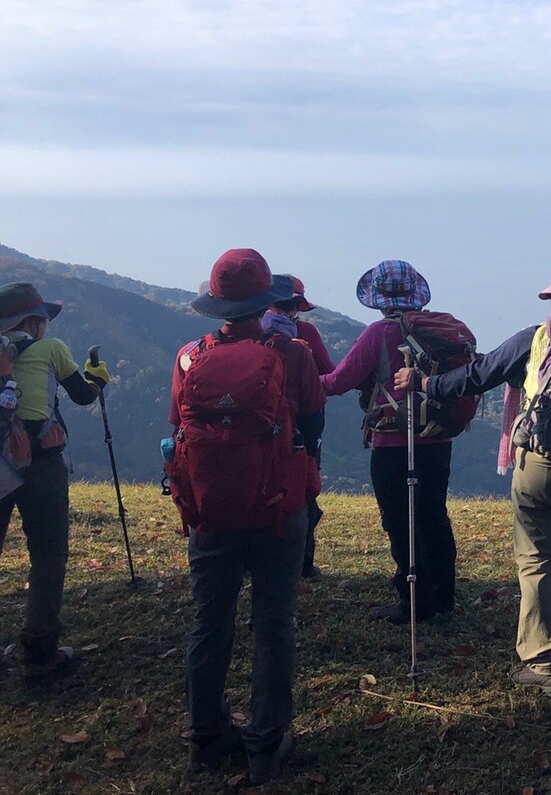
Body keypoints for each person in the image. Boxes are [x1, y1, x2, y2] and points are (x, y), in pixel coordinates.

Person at [397, 259, 551, 695]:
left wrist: (423, 383)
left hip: (543, 466)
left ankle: (542, 664)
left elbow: (475, 378)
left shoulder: (537, 338)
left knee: (538, 561)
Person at [171, 250, 324, 783]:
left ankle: (205, 739)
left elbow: (179, 426)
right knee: (273, 621)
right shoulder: (293, 353)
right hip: (278, 506)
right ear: (266, 299)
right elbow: (312, 422)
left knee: (209, 621)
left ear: (215, 304)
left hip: (210, 507)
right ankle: (266, 743)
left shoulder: (190, 355)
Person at [320, 261, 457, 625]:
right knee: (433, 515)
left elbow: (339, 381)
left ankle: (414, 602)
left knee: (400, 521)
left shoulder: (379, 332)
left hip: (395, 442)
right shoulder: (437, 329)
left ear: (378, 299)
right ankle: (444, 597)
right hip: (438, 436)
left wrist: (296, 383)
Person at [0, 282, 107, 684]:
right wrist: (98, 379)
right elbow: (82, 396)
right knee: (47, 555)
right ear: (33, 321)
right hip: (41, 464)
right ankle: (41, 651)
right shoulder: (52, 349)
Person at [264, 275, 332, 578]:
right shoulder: (304, 336)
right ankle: (303, 563)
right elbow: (329, 374)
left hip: (252, 431)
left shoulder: (246, 332)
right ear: (296, 305)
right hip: (298, 430)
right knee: (302, 495)